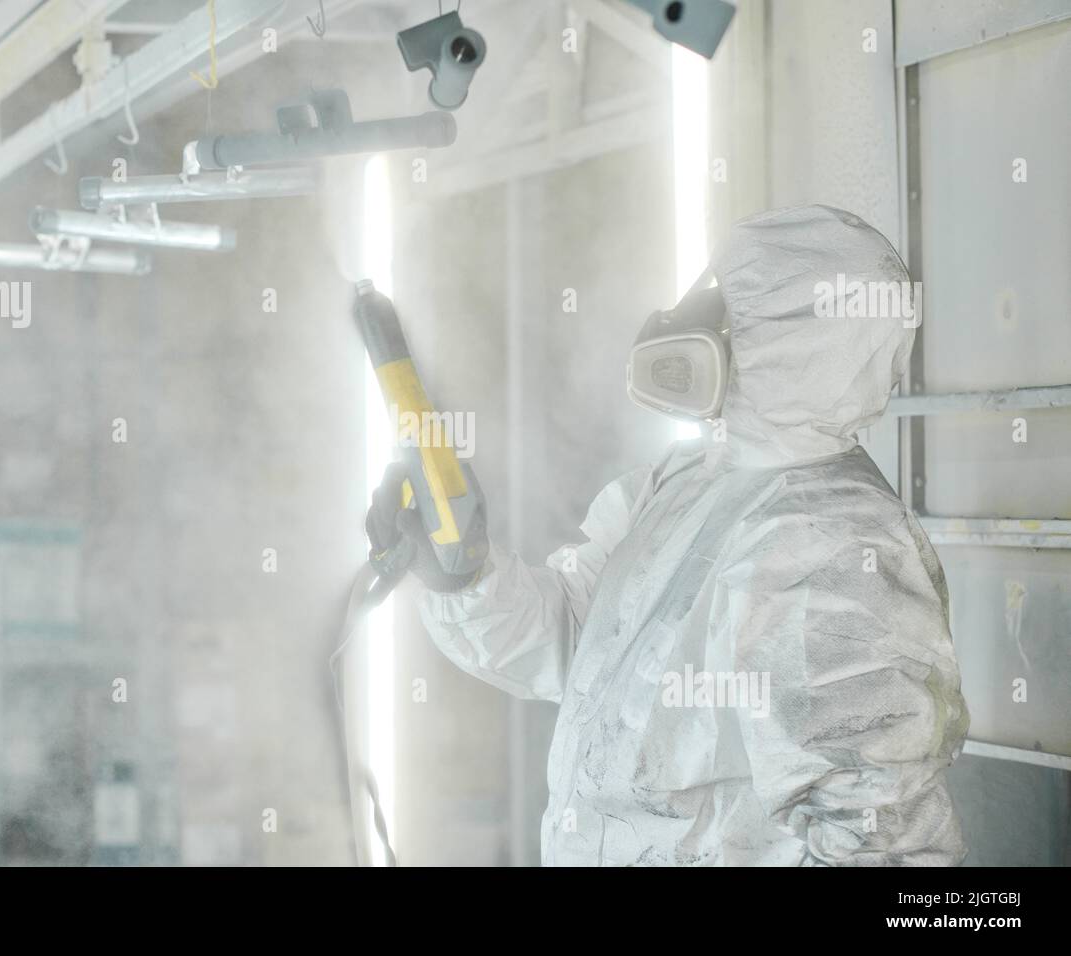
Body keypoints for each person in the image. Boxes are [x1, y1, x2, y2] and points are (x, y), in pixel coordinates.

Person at [367, 204, 969, 866]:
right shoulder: (681, 483)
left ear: (792, 341)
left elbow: (884, 843)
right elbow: (578, 637)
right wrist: (466, 578)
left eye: (729, 300)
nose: (692, 314)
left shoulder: (828, 542)